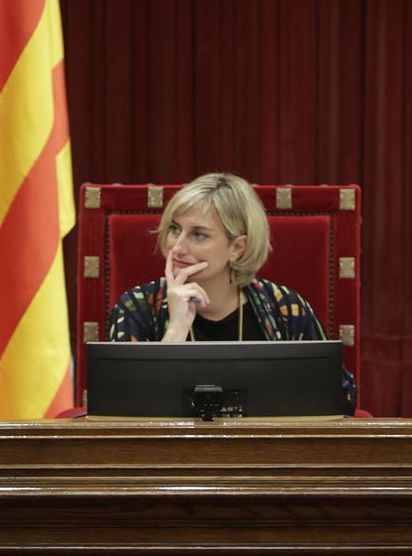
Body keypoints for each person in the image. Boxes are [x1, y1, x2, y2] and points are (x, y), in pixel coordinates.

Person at [105, 172, 357, 413]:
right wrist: (175, 331)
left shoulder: (284, 308)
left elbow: (342, 398)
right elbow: (120, 410)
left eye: (198, 235)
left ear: (237, 247)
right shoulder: (135, 307)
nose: (177, 246)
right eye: (174, 229)